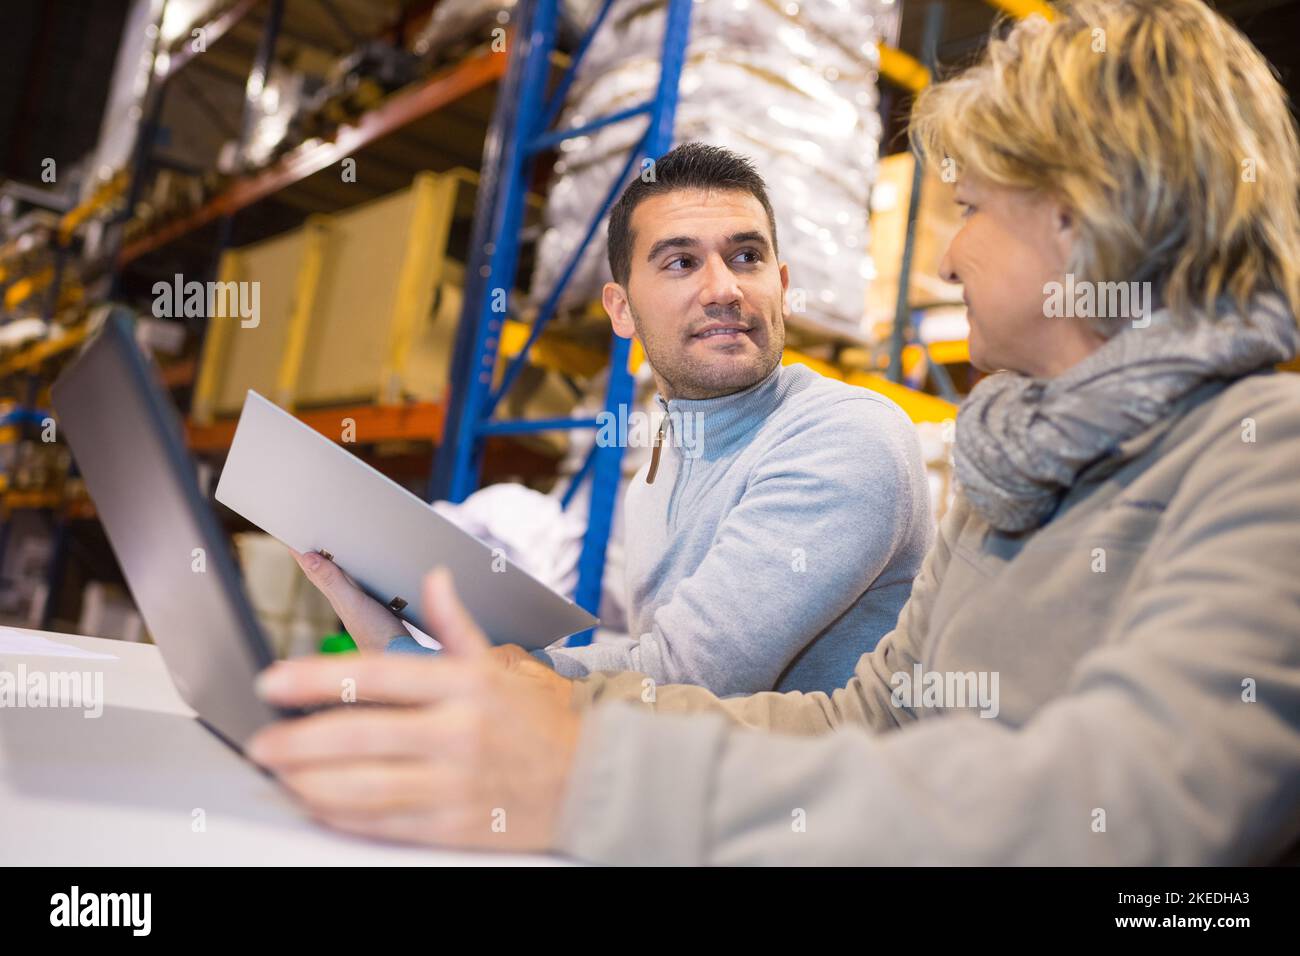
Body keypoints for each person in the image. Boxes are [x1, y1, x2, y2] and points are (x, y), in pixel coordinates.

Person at [248, 0, 1300, 864]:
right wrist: (549, 700)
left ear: (1077, 219)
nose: (946, 260)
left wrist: (587, 773)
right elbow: (868, 720)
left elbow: (1134, 802)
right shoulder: (1011, 469)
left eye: (971, 206)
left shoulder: (1269, 459)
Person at [294, 142, 931, 696]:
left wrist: (422, 665)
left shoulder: (846, 438)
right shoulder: (655, 474)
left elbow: (685, 676)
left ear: (782, 286)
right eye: (681, 262)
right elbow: (654, 676)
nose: (723, 288)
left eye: (746, 257)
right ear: (621, 311)